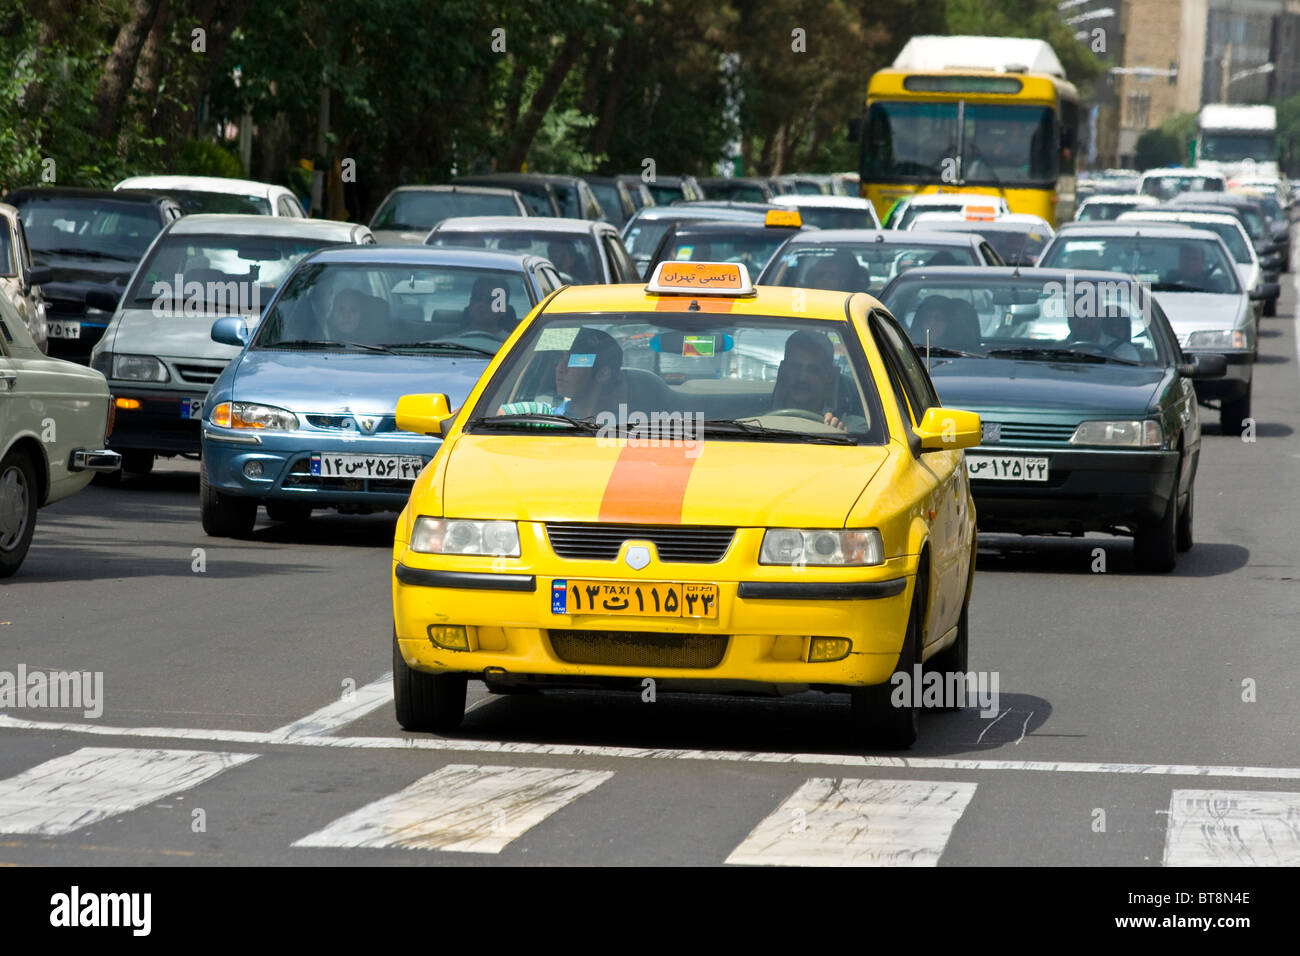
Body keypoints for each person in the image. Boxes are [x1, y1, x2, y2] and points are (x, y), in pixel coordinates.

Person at [770, 329, 852, 430]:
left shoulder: (849, 426)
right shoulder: (752, 424)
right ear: (783, 370)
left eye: (813, 370)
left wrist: (838, 435)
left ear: (829, 376)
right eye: (795, 367)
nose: (802, 377)